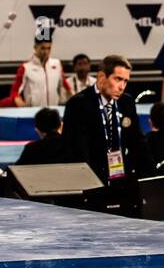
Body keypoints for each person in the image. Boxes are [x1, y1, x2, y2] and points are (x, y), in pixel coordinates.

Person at [62, 54, 153, 184]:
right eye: (118, 79)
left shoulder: (126, 102)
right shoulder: (78, 104)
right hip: (91, 180)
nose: (121, 86)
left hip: (120, 177)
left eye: (125, 81)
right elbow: (76, 151)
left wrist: (152, 179)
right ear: (101, 77)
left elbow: (137, 142)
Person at [3, 37, 70, 109]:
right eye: (43, 48)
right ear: (35, 47)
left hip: (54, 112)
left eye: (49, 48)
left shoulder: (57, 64)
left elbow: (65, 85)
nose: (46, 52)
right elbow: (14, 92)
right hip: (34, 112)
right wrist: (22, 107)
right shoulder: (26, 67)